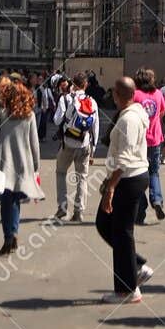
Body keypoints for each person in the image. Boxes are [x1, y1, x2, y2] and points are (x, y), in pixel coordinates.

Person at [96, 76, 151, 304]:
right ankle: (135, 265)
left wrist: (110, 188)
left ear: (119, 94)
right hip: (131, 177)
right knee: (105, 224)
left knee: (122, 232)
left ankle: (128, 289)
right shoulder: (135, 113)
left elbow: (124, 159)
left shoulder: (129, 119)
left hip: (128, 179)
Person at [0, 76, 42, 254]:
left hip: (3, 162)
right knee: (15, 199)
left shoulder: (2, 113)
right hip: (23, 163)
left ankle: (8, 236)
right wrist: (36, 166)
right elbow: (34, 144)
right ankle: (13, 232)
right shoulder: (29, 115)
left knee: (6, 200)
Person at [53, 73, 99, 222]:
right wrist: (94, 148)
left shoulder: (65, 98)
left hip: (68, 143)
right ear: (86, 85)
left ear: (73, 84)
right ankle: (78, 211)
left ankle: (62, 207)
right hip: (85, 143)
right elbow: (95, 127)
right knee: (82, 177)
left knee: (60, 172)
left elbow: (56, 120)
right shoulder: (92, 101)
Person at [133, 69, 165, 222]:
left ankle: (140, 212)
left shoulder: (136, 95)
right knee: (154, 172)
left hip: (139, 141)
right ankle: (157, 200)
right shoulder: (158, 94)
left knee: (138, 175)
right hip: (155, 138)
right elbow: (162, 112)